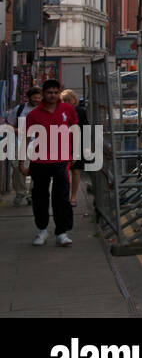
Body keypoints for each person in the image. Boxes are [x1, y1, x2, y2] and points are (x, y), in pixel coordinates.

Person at [26, 78, 78, 247]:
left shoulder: (68, 109)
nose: (53, 96)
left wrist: (75, 152)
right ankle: (42, 230)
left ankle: (62, 232)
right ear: (43, 94)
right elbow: (27, 138)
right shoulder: (33, 114)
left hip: (61, 160)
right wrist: (22, 162)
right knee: (40, 196)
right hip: (39, 160)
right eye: (49, 93)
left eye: (56, 92)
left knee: (61, 196)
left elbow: (75, 130)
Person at [6, 86, 40, 206]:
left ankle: (32, 194)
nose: (37, 99)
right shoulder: (19, 109)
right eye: (34, 97)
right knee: (17, 168)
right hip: (19, 143)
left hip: (38, 144)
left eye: (38, 97)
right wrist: (17, 131)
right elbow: (9, 125)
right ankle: (20, 192)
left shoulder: (43, 109)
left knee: (38, 169)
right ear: (29, 97)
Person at [60, 90, 90, 209]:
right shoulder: (59, 111)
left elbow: (85, 127)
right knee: (63, 171)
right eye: (64, 100)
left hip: (78, 144)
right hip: (63, 144)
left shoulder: (80, 111)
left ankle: (73, 196)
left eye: (69, 100)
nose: (67, 102)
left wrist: (87, 146)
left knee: (76, 171)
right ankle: (65, 195)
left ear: (74, 100)